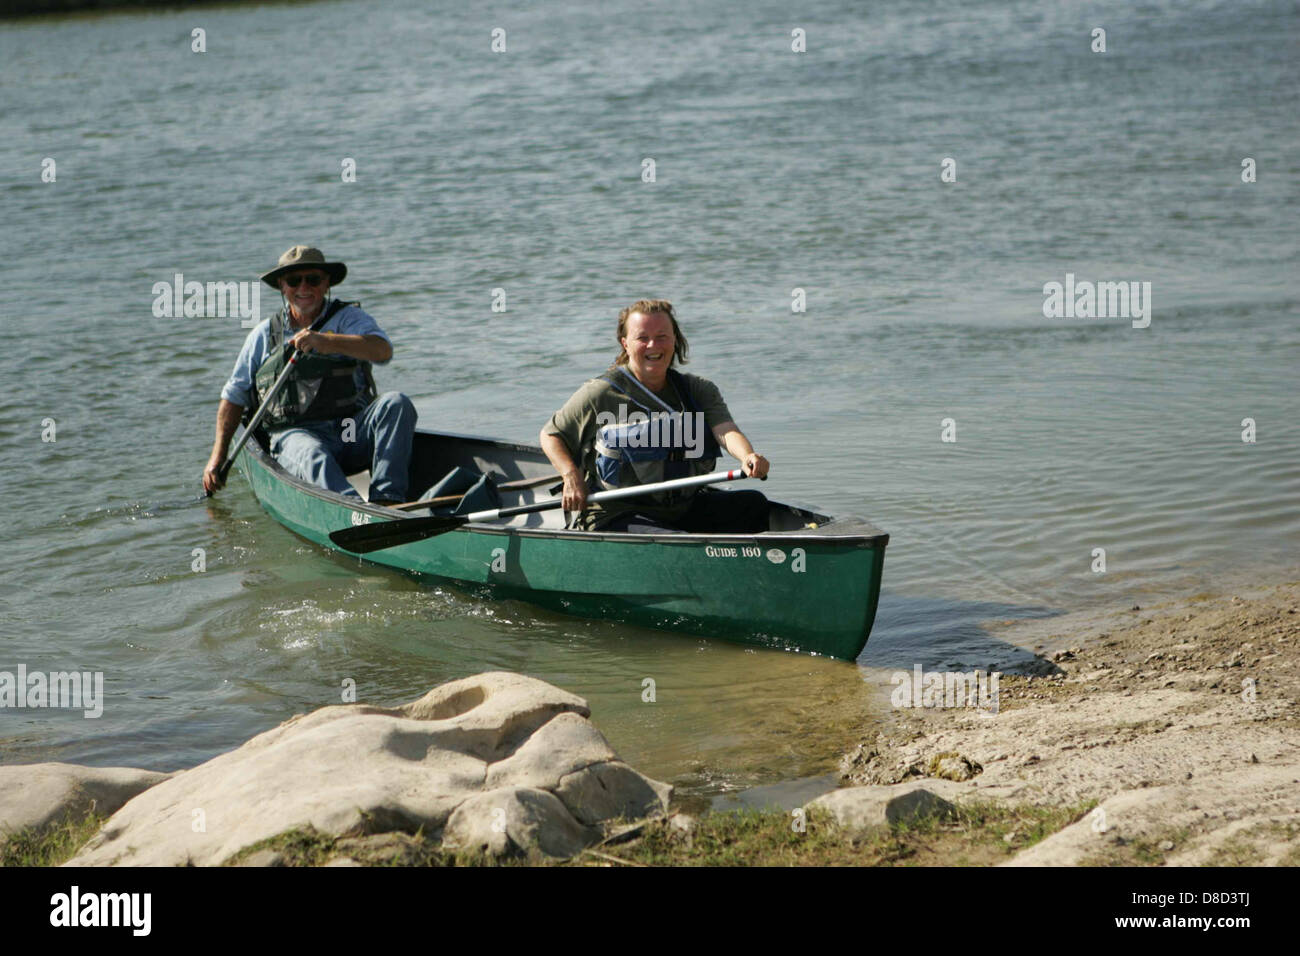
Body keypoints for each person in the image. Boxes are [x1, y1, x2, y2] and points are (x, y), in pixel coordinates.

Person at [202, 245, 416, 504]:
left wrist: (330, 341)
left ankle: (387, 500)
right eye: (294, 280)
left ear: (326, 284)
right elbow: (234, 396)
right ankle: (353, 511)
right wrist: (217, 457)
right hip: (296, 435)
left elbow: (382, 351)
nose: (303, 287)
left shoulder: (348, 319)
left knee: (396, 403)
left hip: (348, 431)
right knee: (313, 453)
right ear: (282, 286)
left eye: (313, 279)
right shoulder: (264, 335)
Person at [540, 299, 770, 533]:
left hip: (681, 509)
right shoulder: (599, 394)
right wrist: (571, 476)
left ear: (675, 341)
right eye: (642, 338)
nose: (653, 345)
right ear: (625, 344)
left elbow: (726, 430)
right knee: (675, 539)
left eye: (662, 337)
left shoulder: (697, 390)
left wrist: (747, 456)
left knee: (754, 504)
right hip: (616, 514)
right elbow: (551, 435)